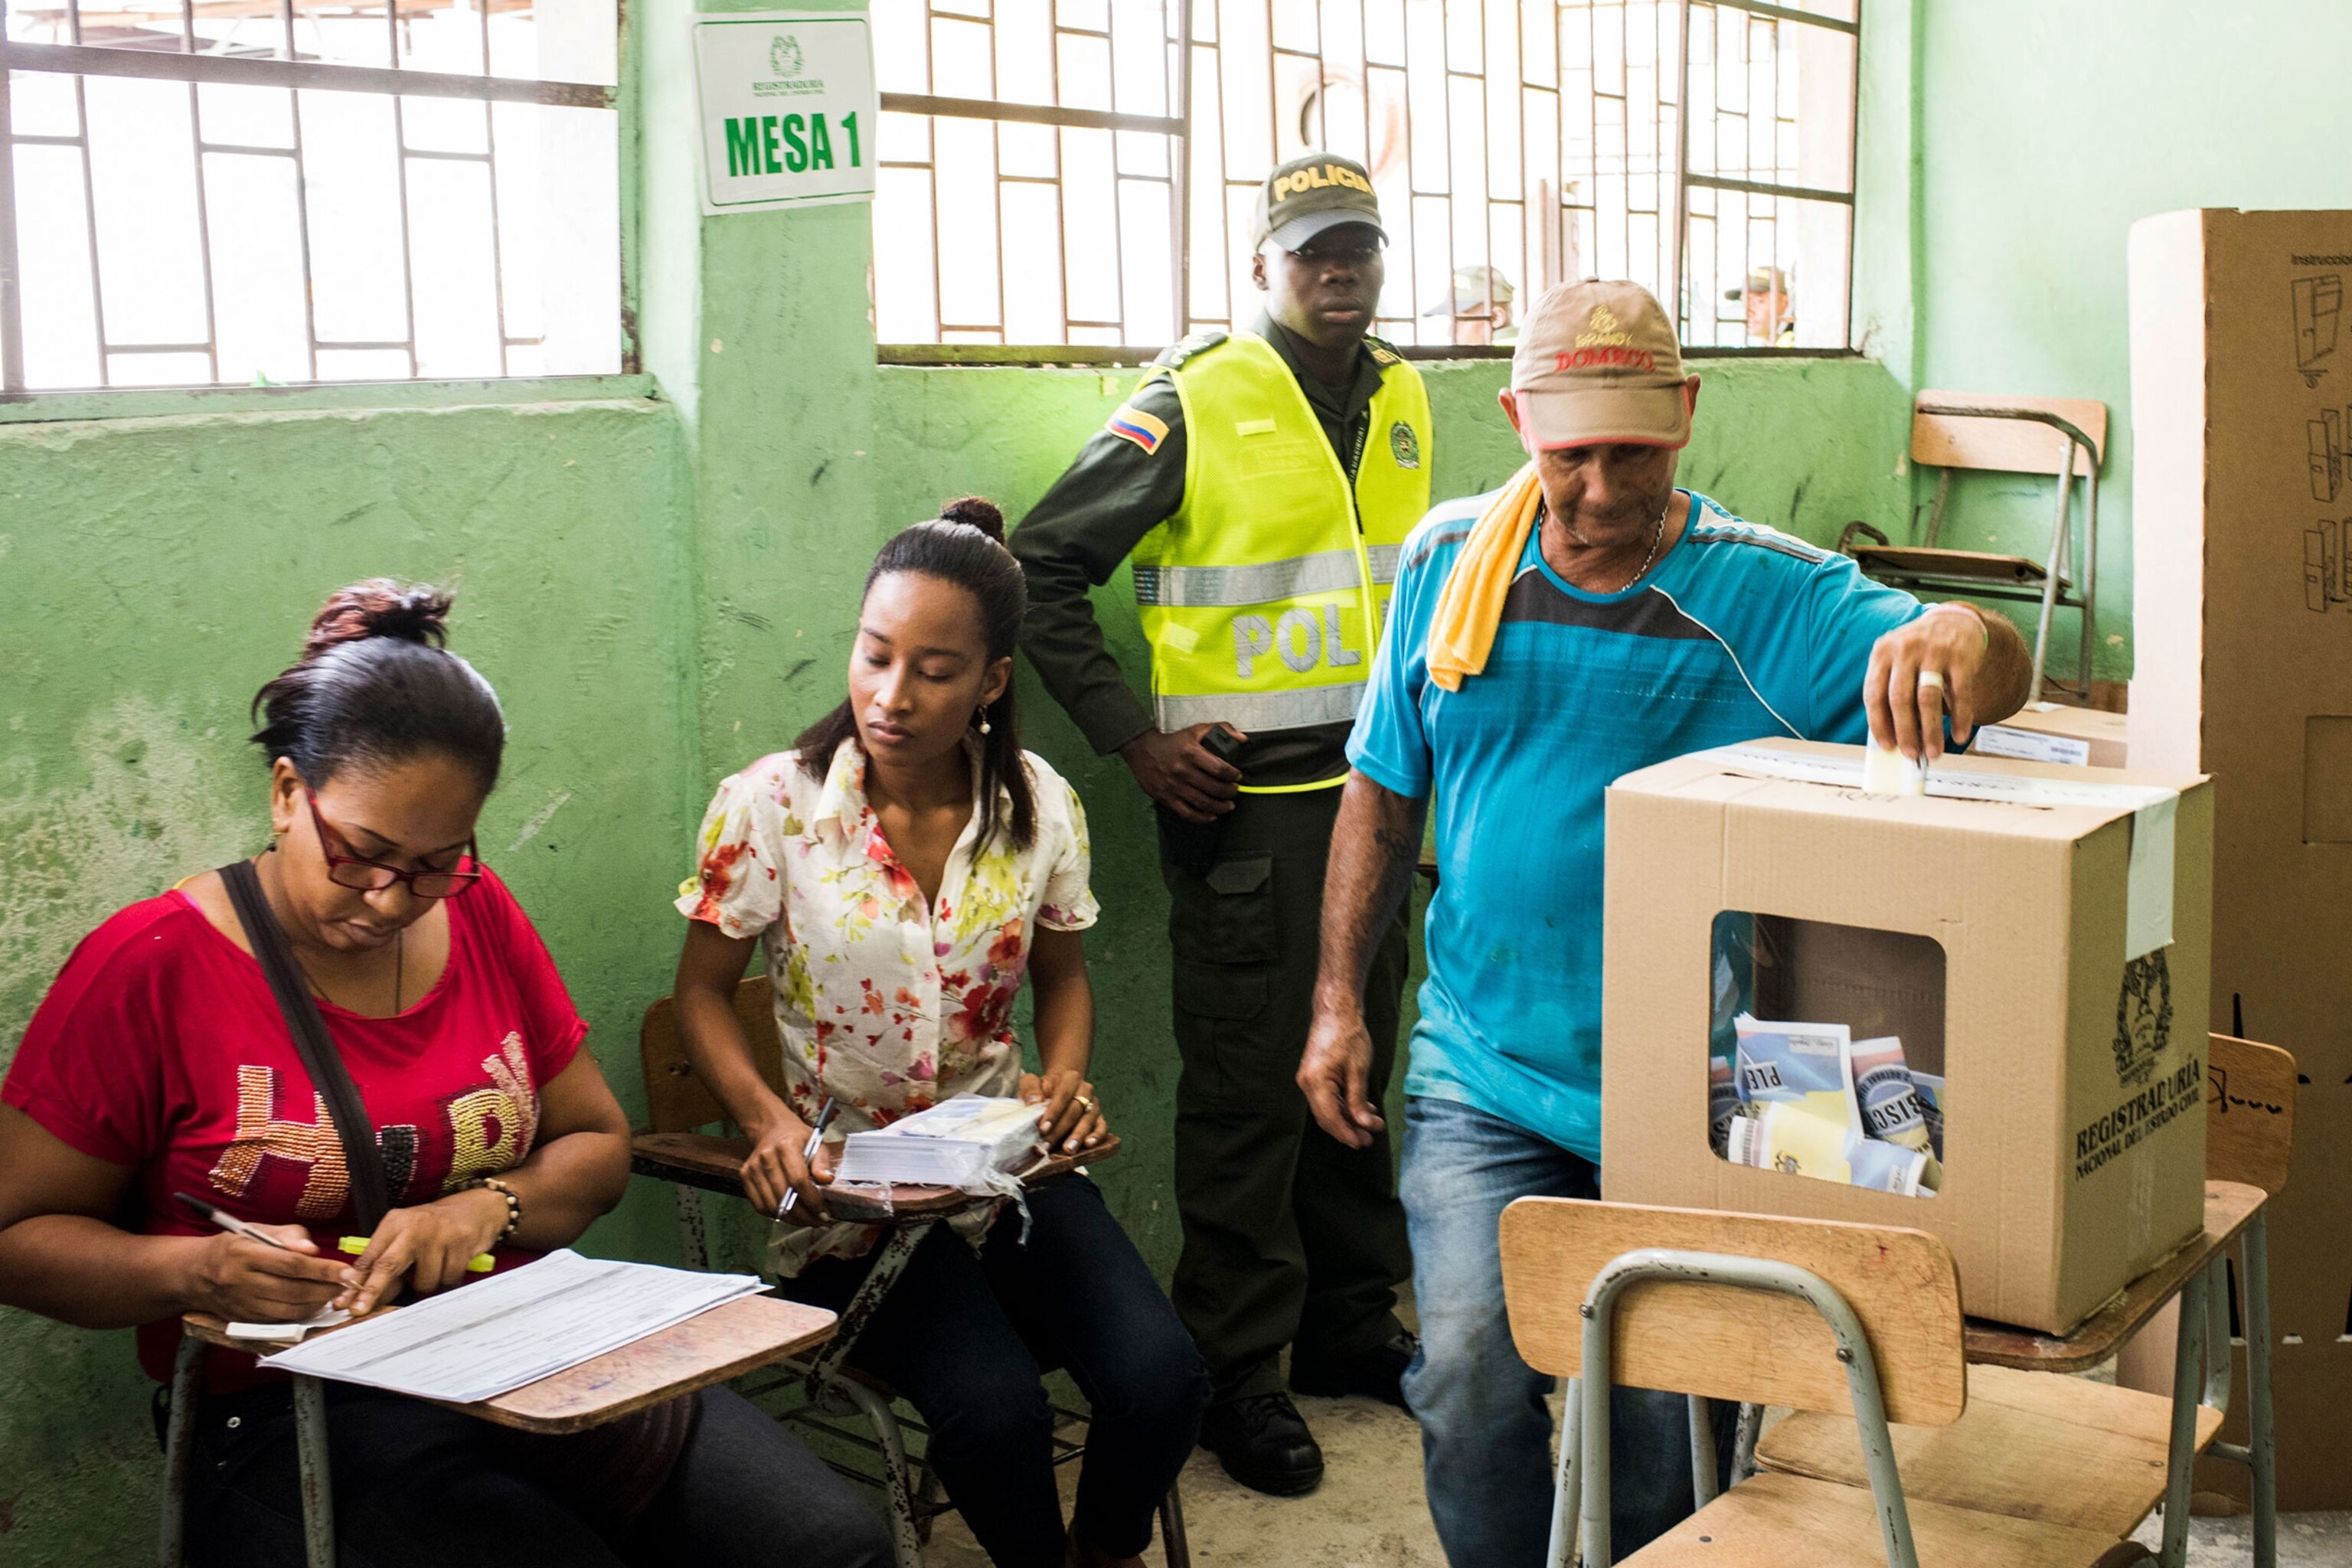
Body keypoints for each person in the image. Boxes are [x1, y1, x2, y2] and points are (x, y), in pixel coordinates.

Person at [1298, 279, 2033, 1563]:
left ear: (1684, 416)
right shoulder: (1444, 568)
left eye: (1628, 453)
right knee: (1466, 1375)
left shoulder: (1772, 598)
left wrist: (1967, 633)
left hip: (1709, 1089)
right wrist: (1336, 1002)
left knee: (1664, 1425)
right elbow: (1380, 788)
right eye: (1565, 454)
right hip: (1485, 1068)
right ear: (1518, 418)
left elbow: (1981, 669)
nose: (1591, 490)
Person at [0, 582, 889, 1568]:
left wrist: (491, 1209)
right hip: (287, 1400)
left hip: (524, 1347)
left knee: (833, 1545)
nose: (390, 900)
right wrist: (194, 1269)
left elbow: (594, 1145)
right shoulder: (151, 964)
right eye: (362, 854)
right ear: (288, 792)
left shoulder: (478, 914)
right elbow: (17, 1236)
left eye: (435, 862)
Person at [671, 499, 1209, 1568]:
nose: (892, 696)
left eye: (934, 669)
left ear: (991, 683)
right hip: (850, 1206)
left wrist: (1064, 1081)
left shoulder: (1039, 807)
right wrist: (767, 1122)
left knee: (1164, 1378)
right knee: (996, 1409)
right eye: (876, 657)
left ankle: (1101, 1555)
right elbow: (697, 997)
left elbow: (1062, 973)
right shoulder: (772, 808)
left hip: (1005, 1175)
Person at [1008, 151, 1430, 1497]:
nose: (1338, 270)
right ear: (1263, 267)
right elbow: (1038, 570)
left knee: (1364, 1077)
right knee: (1252, 1099)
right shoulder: (1192, 398)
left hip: (1387, 797)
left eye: (1355, 245)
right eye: (1311, 249)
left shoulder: (1406, 395)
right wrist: (1134, 741)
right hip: (1249, 816)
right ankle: (1236, 1373)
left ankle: (1350, 1328)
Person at [1728, 266, 1795, 344]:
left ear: (1787, 303)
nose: (1747, 312)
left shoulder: (1797, 344)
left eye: (1759, 301)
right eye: (1744, 302)